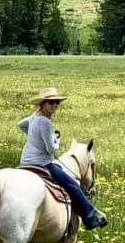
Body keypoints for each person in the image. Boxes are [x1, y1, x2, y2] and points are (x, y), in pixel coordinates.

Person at [18, 87, 108, 230]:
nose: (54, 105)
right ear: (43, 103)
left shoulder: (34, 116)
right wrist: (56, 140)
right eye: (51, 102)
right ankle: (90, 218)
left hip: (25, 162)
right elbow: (51, 149)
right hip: (43, 163)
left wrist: (34, 136)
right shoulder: (45, 122)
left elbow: (21, 125)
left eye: (57, 102)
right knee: (73, 185)